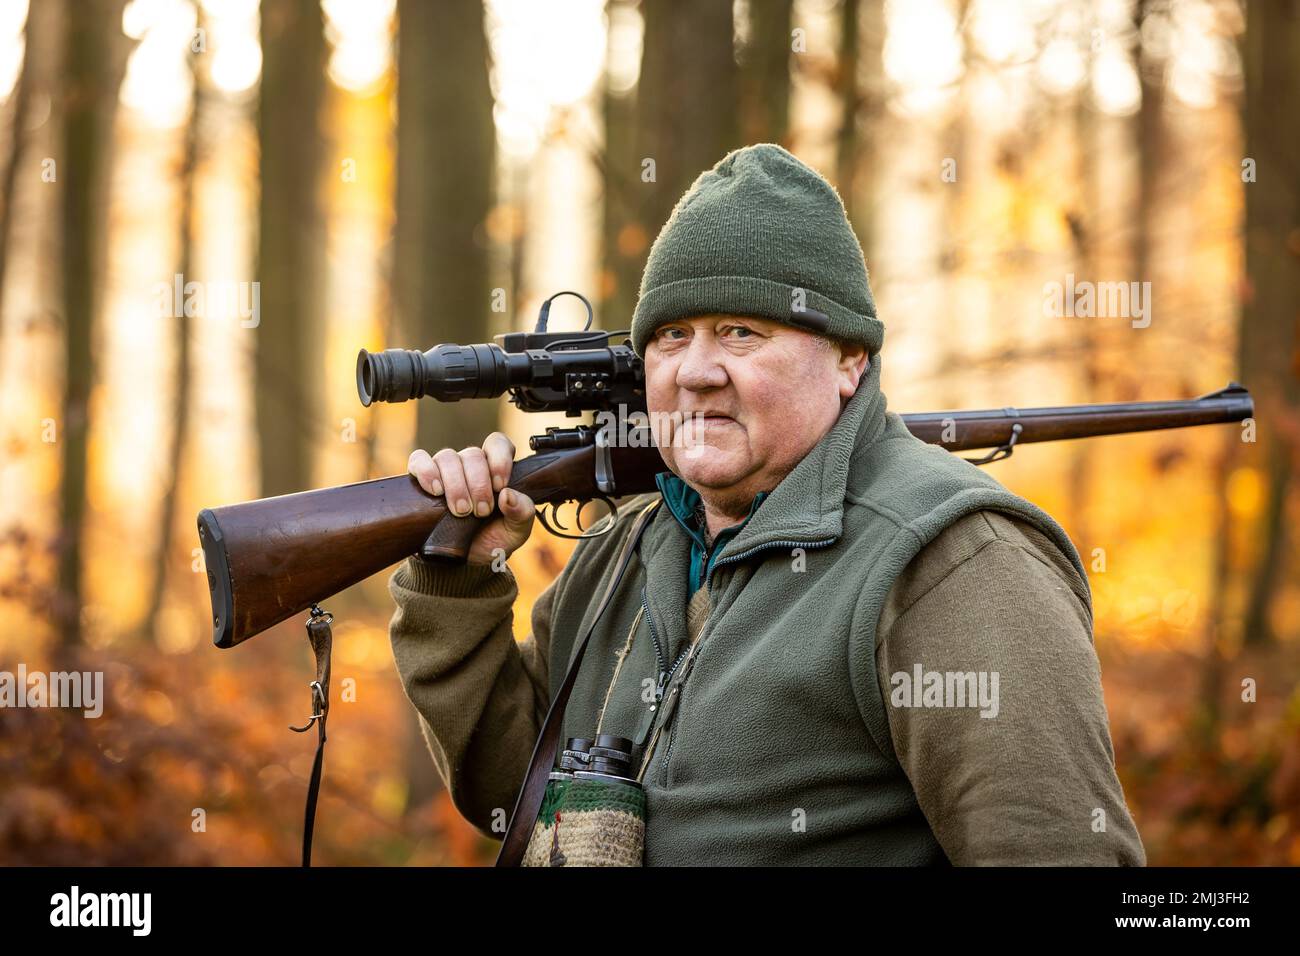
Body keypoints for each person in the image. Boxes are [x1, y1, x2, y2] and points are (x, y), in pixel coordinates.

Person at [387, 143, 1146, 865]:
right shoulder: (624, 550)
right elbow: (512, 799)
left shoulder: (955, 562)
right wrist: (459, 579)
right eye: (672, 336)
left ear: (849, 358)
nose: (696, 371)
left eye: (741, 332)